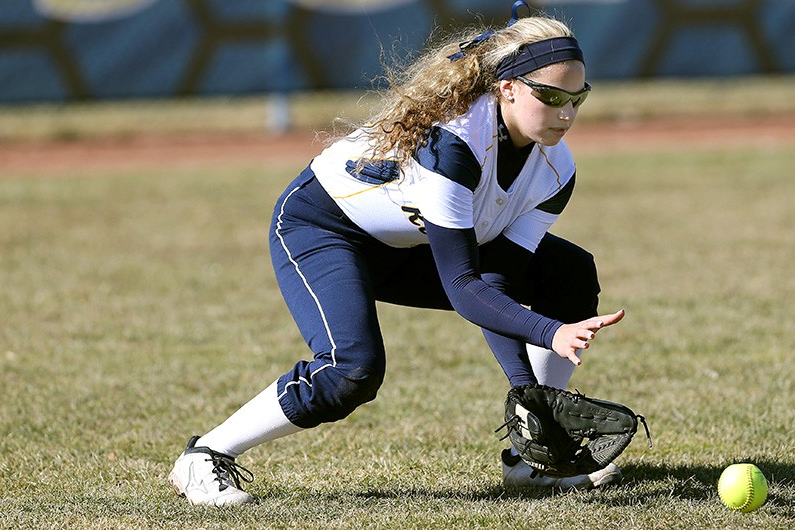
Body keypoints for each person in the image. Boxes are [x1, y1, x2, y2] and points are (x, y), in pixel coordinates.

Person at [168, 1, 626, 507]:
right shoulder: (456, 144)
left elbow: (496, 281)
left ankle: (530, 458)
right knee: (352, 371)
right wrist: (551, 332)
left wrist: (527, 391)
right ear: (508, 87)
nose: (566, 112)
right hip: (325, 228)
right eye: (551, 94)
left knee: (570, 273)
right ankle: (205, 455)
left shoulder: (556, 170)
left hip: (408, 244)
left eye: (577, 97)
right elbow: (463, 287)